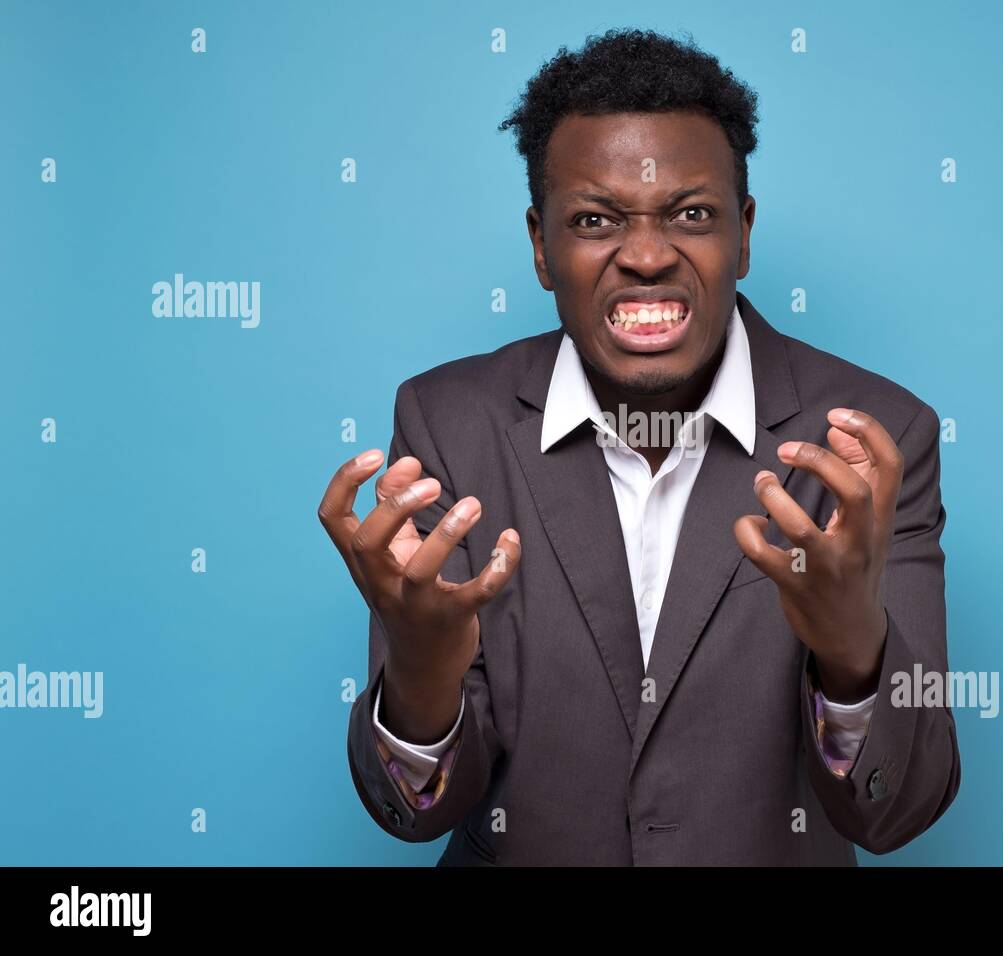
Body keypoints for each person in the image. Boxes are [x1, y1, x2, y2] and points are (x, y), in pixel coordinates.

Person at [317, 28, 959, 865]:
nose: (649, 255)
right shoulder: (448, 422)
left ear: (745, 233)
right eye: (594, 220)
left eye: (692, 214)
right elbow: (415, 814)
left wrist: (852, 649)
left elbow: (897, 814)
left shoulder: (873, 439)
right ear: (542, 246)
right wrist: (423, 668)